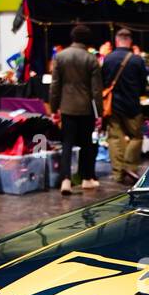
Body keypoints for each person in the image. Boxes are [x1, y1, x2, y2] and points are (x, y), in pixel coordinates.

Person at [48, 24, 103, 196]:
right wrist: (99, 113)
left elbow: (55, 86)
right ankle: (86, 179)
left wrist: (54, 108)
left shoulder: (60, 56)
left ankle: (65, 180)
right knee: (86, 144)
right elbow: (96, 90)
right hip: (86, 108)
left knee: (67, 144)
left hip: (67, 107)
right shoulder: (91, 59)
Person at [102, 27, 148, 185]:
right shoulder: (137, 60)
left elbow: (104, 82)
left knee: (115, 138)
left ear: (116, 41)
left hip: (113, 105)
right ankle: (129, 165)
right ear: (130, 41)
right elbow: (143, 85)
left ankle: (117, 174)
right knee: (136, 137)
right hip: (132, 105)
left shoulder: (108, 59)